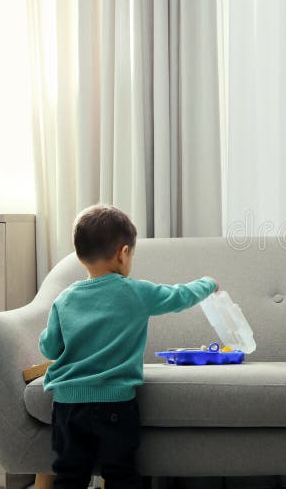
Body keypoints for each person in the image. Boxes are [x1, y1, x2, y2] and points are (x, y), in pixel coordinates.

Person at [39, 205, 219, 489]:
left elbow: (50, 349)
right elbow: (179, 296)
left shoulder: (64, 300)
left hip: (68, 405)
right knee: (121, 474)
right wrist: (208, 284)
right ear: (123, 254)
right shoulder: (135, 292)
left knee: (70, 476)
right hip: (115, 403)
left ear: (79, 254)